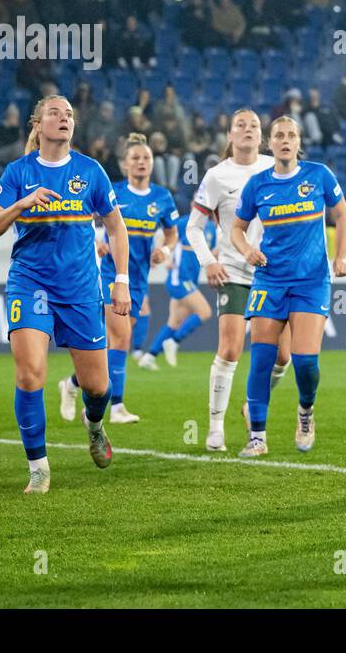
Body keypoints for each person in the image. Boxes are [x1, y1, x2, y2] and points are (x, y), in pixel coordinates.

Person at [0, 95, 128, 494]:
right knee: (30, 373)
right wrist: (22, 203)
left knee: (98, 387)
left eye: (69, 115)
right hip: (31, 285)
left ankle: (94, 425)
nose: (64, 119)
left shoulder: (90, 171)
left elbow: (116, 227)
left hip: (79, 289)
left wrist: (122, 280)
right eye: (55, 113)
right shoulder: (17, 173)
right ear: (37, 124)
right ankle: (39, 467)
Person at [231, 116, 346, 456]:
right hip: (270, 279)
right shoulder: (257, 185)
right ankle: (257, 436)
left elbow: (342, 215)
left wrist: (341, 255)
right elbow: (236, 228)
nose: (285, 140)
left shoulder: (319, 175)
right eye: (279, 135)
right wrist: (247, 251)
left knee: (304, 361)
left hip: (311, 281)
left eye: (292, 135)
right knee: (261, 359)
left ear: (299, 142)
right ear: (270, 144)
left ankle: (305, 412)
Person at [58, 133, 177, 424]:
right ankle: (117, 406)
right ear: (125, 164)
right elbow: (88, 217)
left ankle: (72, 384)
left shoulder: (162, 197)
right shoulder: (114, 191)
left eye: (146, 158)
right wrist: (97, 241)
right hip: (113, 274)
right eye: (135, 158)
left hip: (138, 279)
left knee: (114, 345)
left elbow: (173, 233)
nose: (141, 163)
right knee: (122, 338)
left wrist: (164, 248)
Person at [187, 109, 283, 452]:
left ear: (262, 135)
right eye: (240, 125)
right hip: (233, 272)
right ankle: (215, 428)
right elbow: (193, 227)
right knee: (230, 349)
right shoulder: (216, 176)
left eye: (254, 125)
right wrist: (208, 262)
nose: (247, 129)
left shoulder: (276, 168)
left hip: (275, 274)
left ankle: (252, 404)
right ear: (229, 135)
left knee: (283, 358)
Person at [139, 212, 214, 370]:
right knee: (205, 312)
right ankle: (173, 342)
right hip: (180, 279)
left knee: (174, 322)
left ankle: (149, 356)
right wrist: (165, 256)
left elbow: (212, 252)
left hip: (191, 280)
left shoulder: (211, 228)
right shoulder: (185, 222)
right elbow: (162, 236)